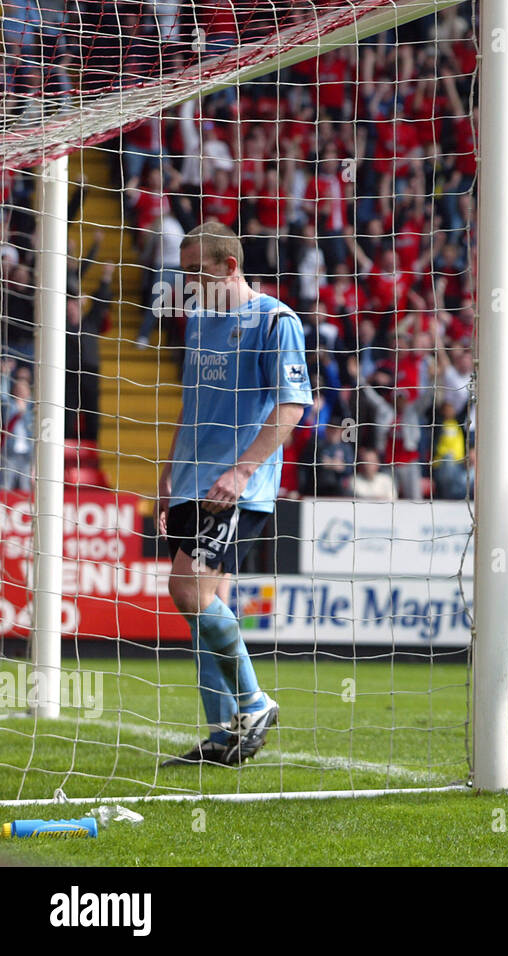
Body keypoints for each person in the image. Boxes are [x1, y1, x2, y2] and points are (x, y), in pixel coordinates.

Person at [159, 221, 312, 765]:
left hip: (233, 489)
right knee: (203, 607)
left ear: (229, 266)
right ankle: (225, 736)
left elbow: (292, 405)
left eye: (197, 273)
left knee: (189, 592)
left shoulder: (276, 320)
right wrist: (167, 477)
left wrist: (242, 473)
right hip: (189, 481)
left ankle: (254, 702)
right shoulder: (198, 321)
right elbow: (191, 402)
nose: (189, 284)